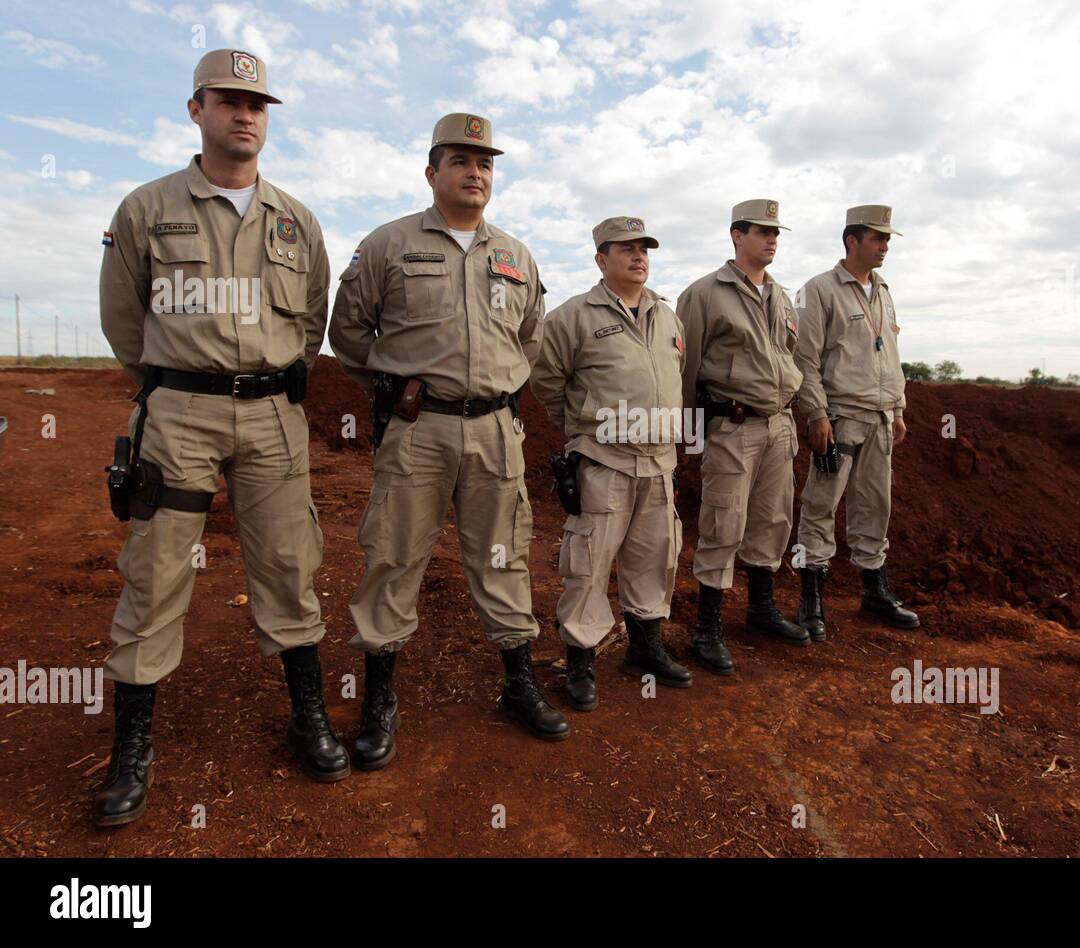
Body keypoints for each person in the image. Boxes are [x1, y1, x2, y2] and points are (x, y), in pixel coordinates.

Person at [96, 49, 344, 827]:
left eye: (258, 104)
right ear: (195, 109)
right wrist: (172, 383)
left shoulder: (296, 219)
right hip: (179, 413)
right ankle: (131, 747)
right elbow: (123, 318)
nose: (246, 114)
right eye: (229, 100)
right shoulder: (147, 209)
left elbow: (311, 319)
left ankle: (308, 714)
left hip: (273, 415)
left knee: (288, 560)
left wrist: (277, 376)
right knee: (157, 568)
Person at [329, 112, 568, 759]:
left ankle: (519, 681)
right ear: (432, 172)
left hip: (495, 431)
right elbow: (348, 331)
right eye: (461, 161)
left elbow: (532, 340)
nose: (475, 172)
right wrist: (393, 386)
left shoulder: (516, 256)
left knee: (504, 554)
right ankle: (380, 698)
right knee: (394, 556)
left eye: (485, 163)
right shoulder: (389, 245)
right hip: (417, 431)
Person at [530, 216, 693, 711]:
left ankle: (644, 649)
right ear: (601, 259)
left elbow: (676, 375)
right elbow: (547, 378)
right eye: (626, 249)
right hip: (604, 460)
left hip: (658, 462)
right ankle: (580, 662)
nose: (638, 256)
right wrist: (584, 427)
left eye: (644, 248)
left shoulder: (668, 316)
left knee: (655, 558)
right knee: (589, 563)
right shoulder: (572, 316)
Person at [678, 199, 808, 676]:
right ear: (736, 235)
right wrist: (689, 437)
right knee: (722, 523)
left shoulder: (782, 296)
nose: (772, 240)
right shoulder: (705, 294)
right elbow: (685, 370)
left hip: (778, 425)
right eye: (761, 231)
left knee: (772, 520)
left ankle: (760, 610)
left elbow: (792, 358)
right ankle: (707, 629)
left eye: (776, 233)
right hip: (730, 425)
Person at [793, 205, 919, 638]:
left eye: (887, 240)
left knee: (874, 506)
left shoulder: (883, 290)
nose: (885, 247)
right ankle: (811, 599)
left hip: (880, 418)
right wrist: (816, 413)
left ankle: (874, 593)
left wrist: (898, 408)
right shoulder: (819, 290)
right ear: (852, 241)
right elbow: (804, 359)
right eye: (878, 239)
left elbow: (891, 353)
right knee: (821, 505)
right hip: (840, 418)